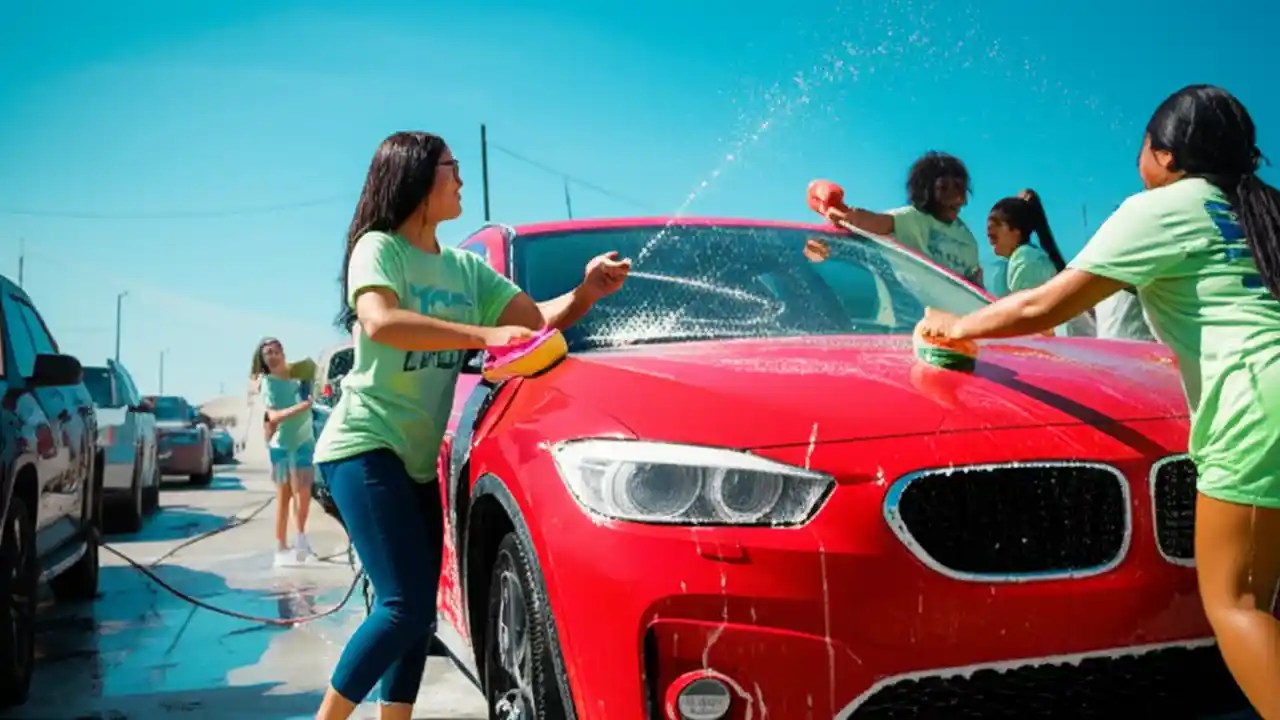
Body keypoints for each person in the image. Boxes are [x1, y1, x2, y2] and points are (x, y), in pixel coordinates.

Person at [916, 85, 1280, 717]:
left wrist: (955, 326)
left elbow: (1043, 305)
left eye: (1142, 145)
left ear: (1165, 155)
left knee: (1239, 605)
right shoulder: (1263, 209)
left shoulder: (1160, 207)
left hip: (1258, 404)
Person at [312, 131, 630, 720]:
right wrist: (480, 337)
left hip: (415, 460)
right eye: (450, 168)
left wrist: (587, 291)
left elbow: (534, 322)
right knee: (402, 607)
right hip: (362, 447)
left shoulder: (465, 270)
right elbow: (380, 322)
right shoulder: (377, 249)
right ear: (414, 177)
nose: (461, 179)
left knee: (420, 615)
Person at [824, 150, 983, 285]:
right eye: (943, 188)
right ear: (925, 191)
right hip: (914, 309)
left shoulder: (968, 240)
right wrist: (845, 215)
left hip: (954, 315)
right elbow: (875, 222)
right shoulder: (913, 218)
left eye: (959, 187)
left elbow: (975, 282)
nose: (954, 196)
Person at [986, 189, 1095, 336]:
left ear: (1016, 230)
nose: (989, 227)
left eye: (997, 222)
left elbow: (1026, 313)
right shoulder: (1031, 256)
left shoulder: (1025, 258)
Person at [251, 337, 318, 567]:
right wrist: (302, 407)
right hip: (281, 446)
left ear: (283, 353)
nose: (273, 355)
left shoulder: (296, 375)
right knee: (284, 496)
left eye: (276, 351)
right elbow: (273, 416)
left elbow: (313, 373)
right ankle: (280, 547)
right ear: (264, 359)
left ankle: (300, 538)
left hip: (305, 441)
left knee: (305, 493)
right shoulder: (268, 383)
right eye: (268, 352)